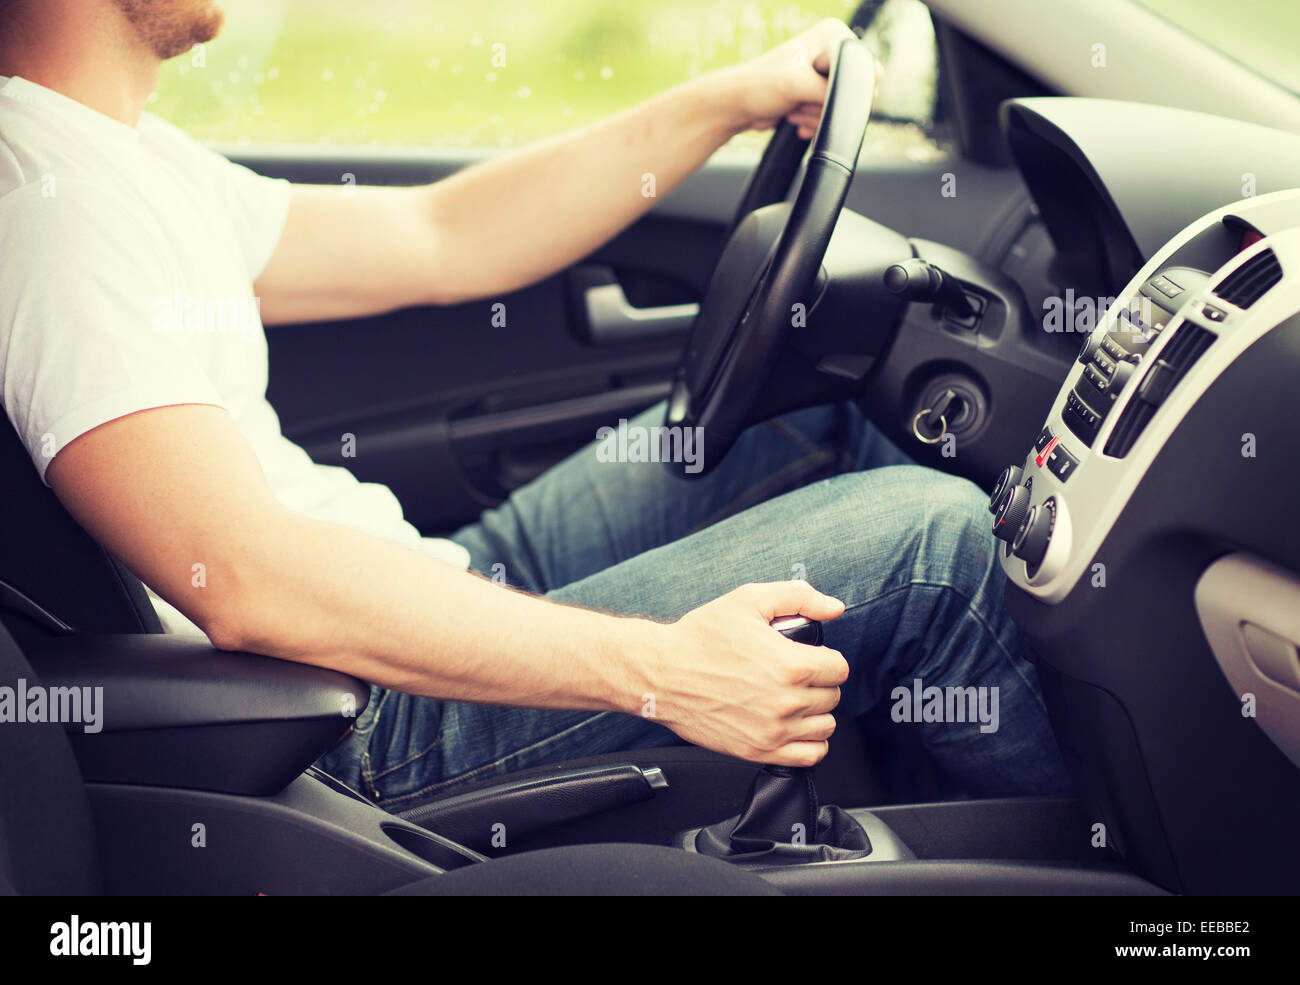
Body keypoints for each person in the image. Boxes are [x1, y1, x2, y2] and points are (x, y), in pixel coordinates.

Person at [0, 1, 1069, 809]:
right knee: (935, 549)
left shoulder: (123, 157)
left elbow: (444, 237)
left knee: (820, 405)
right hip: (344, 721)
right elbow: (239, 576)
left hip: (409, 584)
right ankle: (1130, 884)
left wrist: (727, 98)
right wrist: (665, 670)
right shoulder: (49, 205)